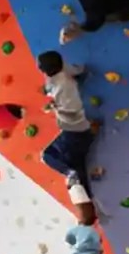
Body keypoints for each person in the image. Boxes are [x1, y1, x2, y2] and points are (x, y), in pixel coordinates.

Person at [39, 50, 96, 204]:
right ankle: (84, 190)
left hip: (76, 131)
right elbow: (78, 70)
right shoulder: (63, 73)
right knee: (76, 160)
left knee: (48, 156)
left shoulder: (64, 87)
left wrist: (55, 108)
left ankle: (73, 175)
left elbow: (71, 113)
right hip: (78, 131)